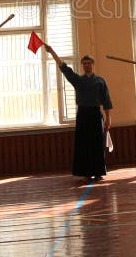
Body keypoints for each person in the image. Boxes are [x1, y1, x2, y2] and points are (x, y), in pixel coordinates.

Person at [45, 46, 112, 181]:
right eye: (84, 63)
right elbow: (63, 67)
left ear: (93, 65)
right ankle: (86, 172)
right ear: (82, 65)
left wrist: (108, 118)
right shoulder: (78, 80)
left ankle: (98, 172)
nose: (87, 65)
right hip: (83, 114)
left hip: (95, 114)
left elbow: (106, 100)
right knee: (84, 143)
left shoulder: (100, 81)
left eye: (89, 63)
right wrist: (52, 52)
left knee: (97, 143)